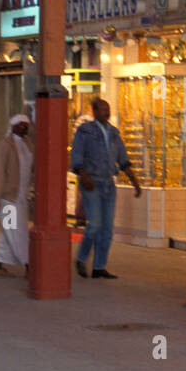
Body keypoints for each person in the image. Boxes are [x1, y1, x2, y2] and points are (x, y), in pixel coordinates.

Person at [71, 97, 142, 279]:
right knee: (94, 225)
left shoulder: (114, 133)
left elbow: (123, 160)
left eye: (108, 109)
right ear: (94, 112)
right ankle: (81, 258)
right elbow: (77, 156)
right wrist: (83, 175)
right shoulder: (84, 131)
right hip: (92, 182)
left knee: (107, 228)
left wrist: (135, 181)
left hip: (109, 183)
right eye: (103, 109)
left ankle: (99, 266)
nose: (106, 112)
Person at [0, 114, 33, 276]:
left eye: (26, 124)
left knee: (10, 231)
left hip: (22, 198)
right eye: (21, 124)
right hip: (8, 198)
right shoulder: (5, 145)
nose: (24, 127)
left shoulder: (28, 143)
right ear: (13, 126)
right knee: (15, 232)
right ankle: (29, 266)